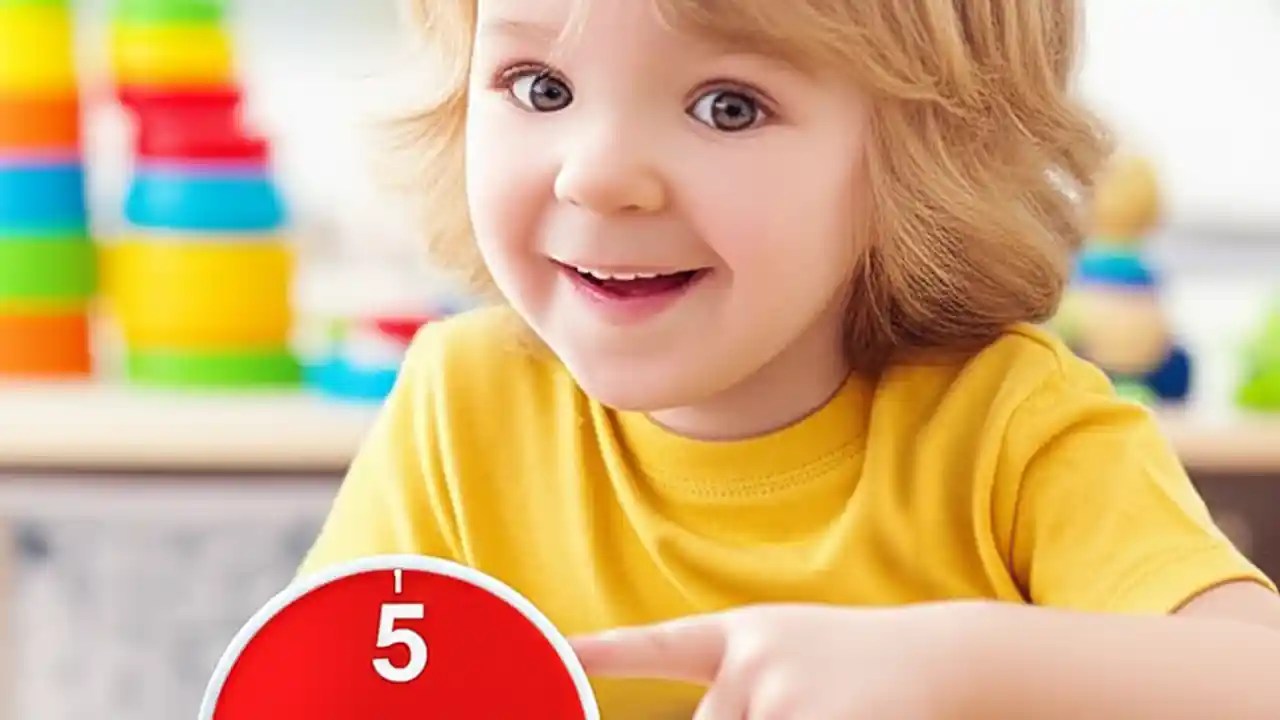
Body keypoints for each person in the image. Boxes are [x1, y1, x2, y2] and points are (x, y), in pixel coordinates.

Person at [299, 0, 1280, 715]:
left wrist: (958, 668)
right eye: (538, 86)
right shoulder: (459, 406)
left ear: (920, 153)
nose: (595, 175)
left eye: (727, 106)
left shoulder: (1009, 430)